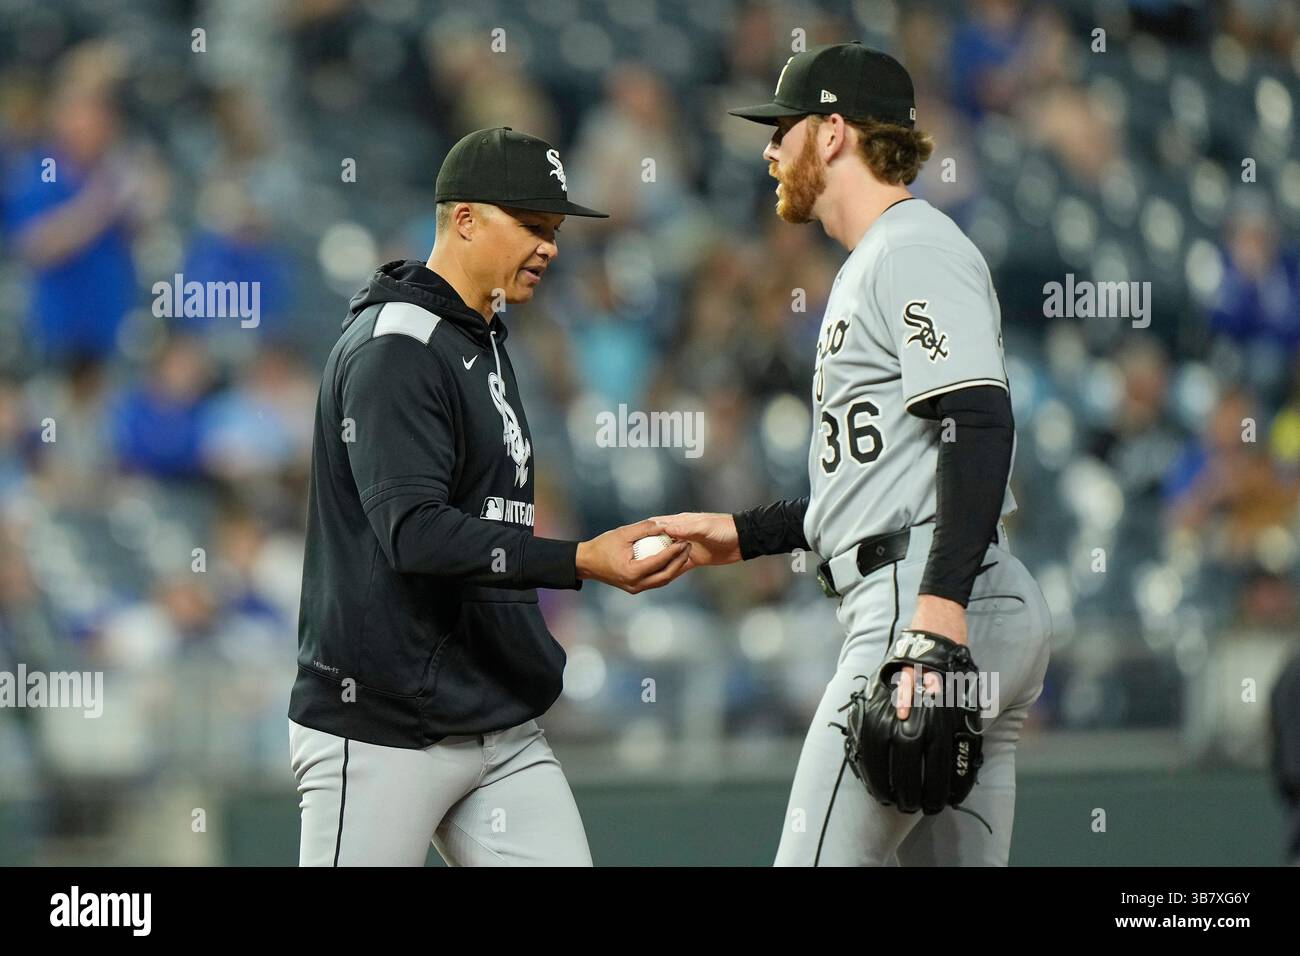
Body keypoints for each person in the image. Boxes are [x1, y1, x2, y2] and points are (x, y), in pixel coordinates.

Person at [654, 43, 1051, 866]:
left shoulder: (910, 245)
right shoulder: (879, 258)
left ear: (832, 133)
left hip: (926, 603)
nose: (769, 150)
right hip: (945, 592)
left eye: (783, 130)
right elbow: (881, 483)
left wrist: (934, 626)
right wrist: (747, 532)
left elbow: (976, 421)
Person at [288, 127, 691, 867]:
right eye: (532, 225)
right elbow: (416, 534)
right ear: (465, 218)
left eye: (555, 229)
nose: (550, 245)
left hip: (494, 720)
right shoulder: (396, 346)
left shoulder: (483, 333)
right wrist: (579, 561)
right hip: (380, 724)